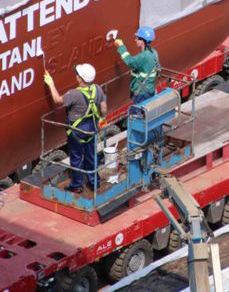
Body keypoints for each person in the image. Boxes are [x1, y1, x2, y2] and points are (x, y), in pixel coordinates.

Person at [43, 63, 107, 193]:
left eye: (77, 75)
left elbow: (57, 100)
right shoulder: (98, 89)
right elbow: (104, 108)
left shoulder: (73, 94)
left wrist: (51, 83)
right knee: (91, 156)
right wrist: (102, 118)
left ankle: (77, 186)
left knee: (76, 157)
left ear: (80, 79)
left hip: (77, 131)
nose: (76, 76)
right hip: (92, 128)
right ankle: (94, 183)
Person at [114, 26, 160, 104]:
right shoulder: (153, 52)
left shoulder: (143, 56)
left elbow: (130, 61)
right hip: (150, 89)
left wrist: (121, 46)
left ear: (143, 41)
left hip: (142, 93)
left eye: (137, 38)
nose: (135, 40)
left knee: (140, 110)